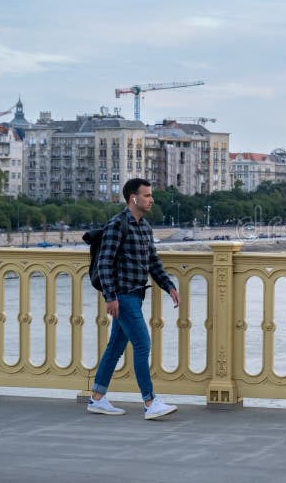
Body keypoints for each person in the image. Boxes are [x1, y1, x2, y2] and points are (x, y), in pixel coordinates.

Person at [88, 178, 181, 420]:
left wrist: (168, 285)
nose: (151, 200)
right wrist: (110, 297)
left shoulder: (144, 227)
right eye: (147, 196)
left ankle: (97, 398)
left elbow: (153, 261)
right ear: (133, 198)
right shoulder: (117, 225)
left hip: (137, 294)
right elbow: (105, 263)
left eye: (151, 196)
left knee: (116, 347)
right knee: (142, 344)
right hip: (123, 296)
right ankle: (150, 402)